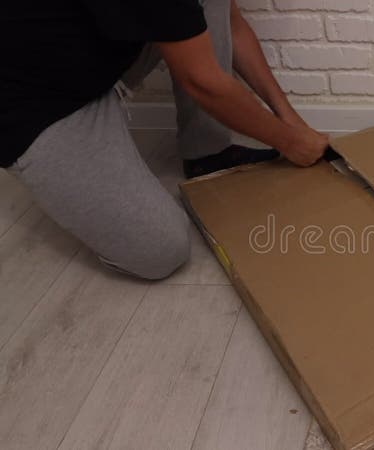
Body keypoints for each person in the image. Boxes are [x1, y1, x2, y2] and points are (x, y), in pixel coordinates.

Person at [1, 0, 329, 279]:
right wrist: (289, 142)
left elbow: (232, 23)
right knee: (161, 249)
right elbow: (203, 83)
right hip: (33, 106)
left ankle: (207, 154)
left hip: (87, 53)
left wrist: (292, 122)